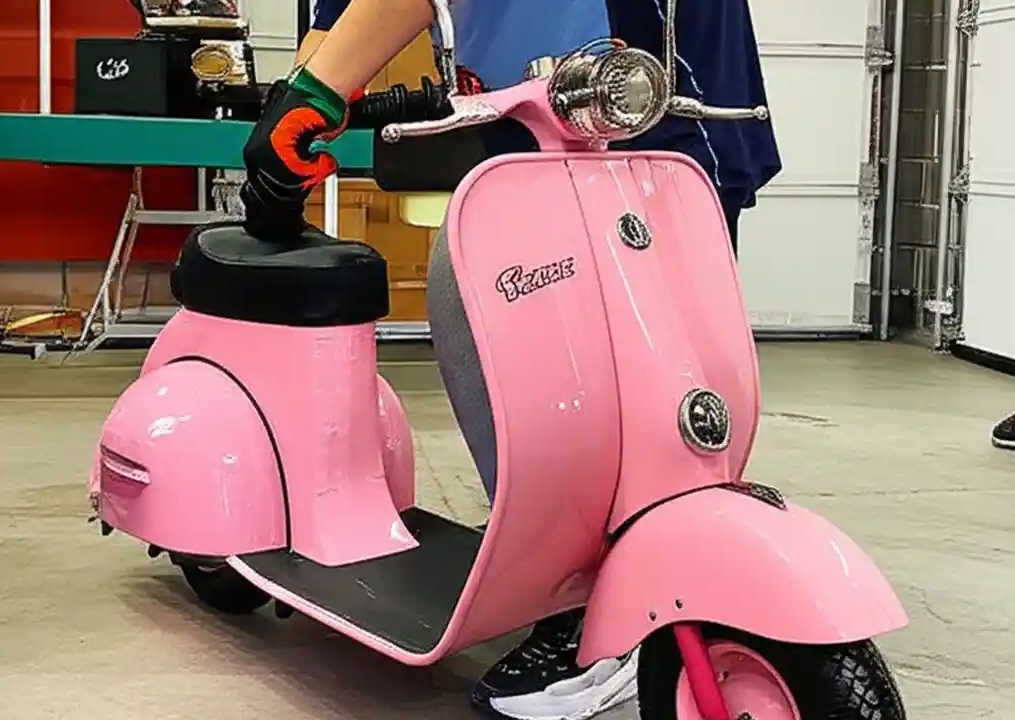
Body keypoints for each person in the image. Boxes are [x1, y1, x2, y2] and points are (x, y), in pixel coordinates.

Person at [239, 1, 781, 718]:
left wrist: (316, 94)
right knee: (561, 323)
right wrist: (300, 95)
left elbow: (337, 53)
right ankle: (624, 579)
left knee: (617, 336)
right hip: (544, 108)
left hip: (623, 85)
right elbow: (331, 30)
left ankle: (602, 611)